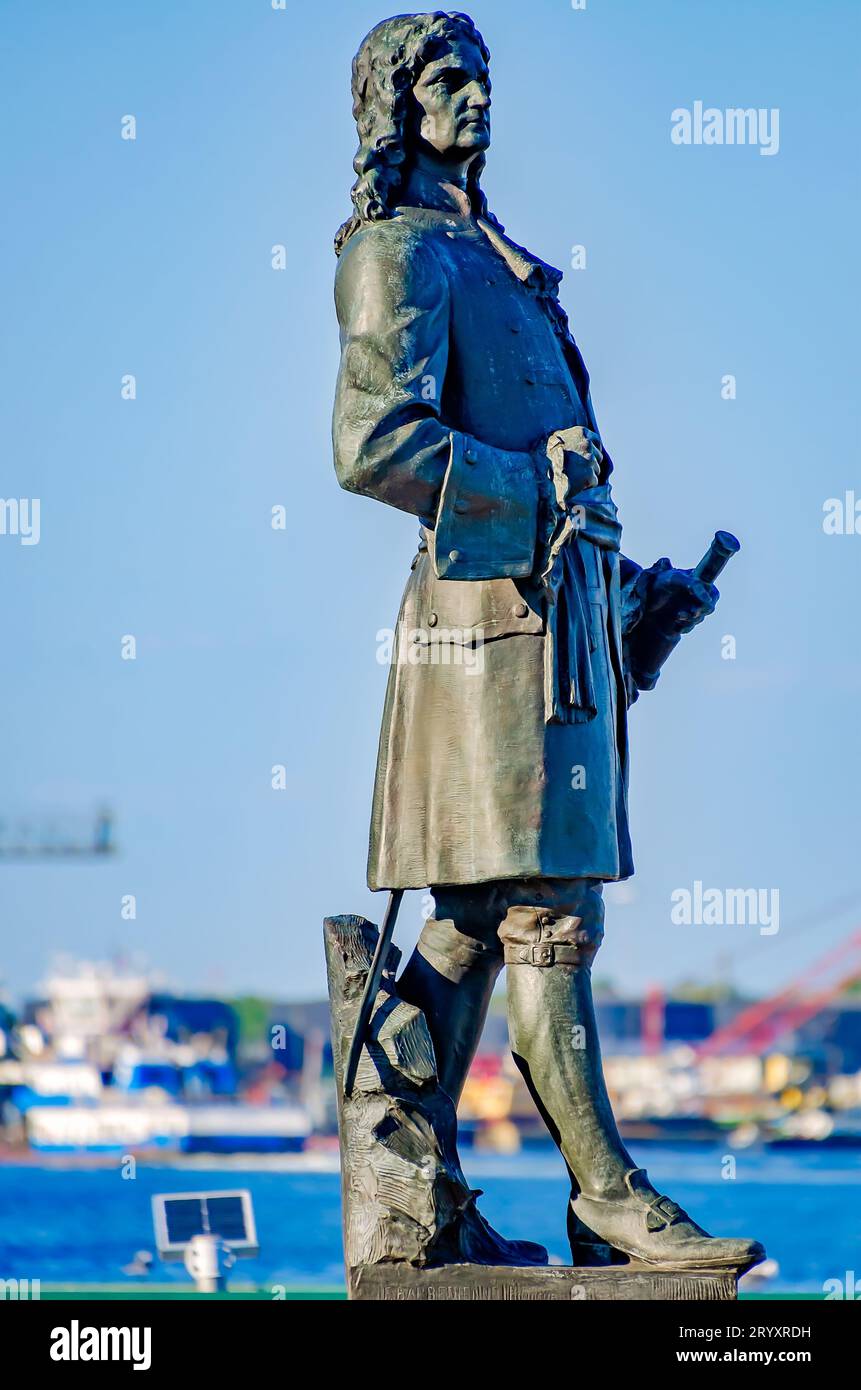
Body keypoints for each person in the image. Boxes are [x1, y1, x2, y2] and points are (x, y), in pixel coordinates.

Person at [332, 10, 762, 1272]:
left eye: (481, 77)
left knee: (474, 908)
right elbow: (373, 445)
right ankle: (606, 1193)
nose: (473, 98)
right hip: (481, 631)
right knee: (540, 905)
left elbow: (558, 473)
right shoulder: (396, 253)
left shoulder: (501, 263)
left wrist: (632, 602)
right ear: (394, 108)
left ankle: (413, 1177)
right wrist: (543, 495)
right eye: (445, 79)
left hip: (556, 627)